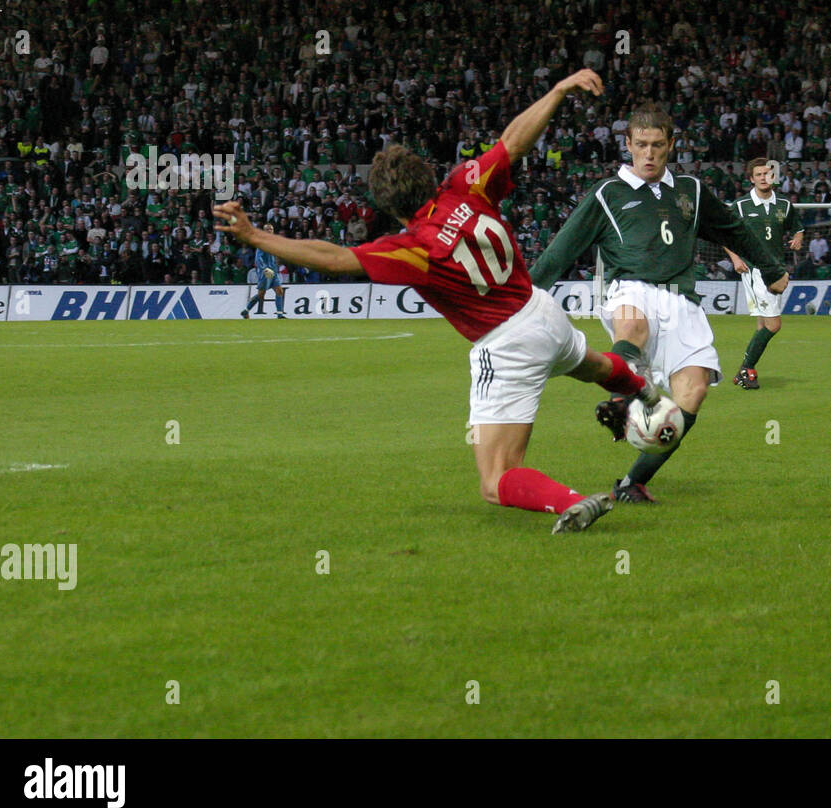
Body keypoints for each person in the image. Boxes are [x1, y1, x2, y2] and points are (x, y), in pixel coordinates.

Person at [215, 69, 654, 533]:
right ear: (426, 175)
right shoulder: (466, 185)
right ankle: (646, 393)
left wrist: (253, 234)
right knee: (592, 367)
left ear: (388, 206)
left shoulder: (416, 245)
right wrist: (559, 90)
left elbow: (334, 259)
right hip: (541, 309)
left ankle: (573, 501)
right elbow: (514, 142)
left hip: (507, 342)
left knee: (495, 478)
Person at [530, 102, 789, 504]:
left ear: (671, 144)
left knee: (694, 393)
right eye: (640, 145)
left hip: (683, 302)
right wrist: (524, 297)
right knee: (633, 326)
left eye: (656, 145)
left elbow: (735, 230)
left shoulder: (692, 191)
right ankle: (620, 403)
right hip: (630, 289)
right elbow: (560, 252)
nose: (648, 154)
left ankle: (631, 483)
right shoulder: (607, 194)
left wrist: (772, 269)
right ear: (628, 145)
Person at [722, 157, 803, 389]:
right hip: (755, 270)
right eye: (758, 175)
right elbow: (723, 233)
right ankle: (746, 370)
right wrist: (735, 257)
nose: (763, 178)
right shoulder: (740, 205)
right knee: (773, 324)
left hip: (776, 269)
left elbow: (797, 228)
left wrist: (797, 239)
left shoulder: (784, 205)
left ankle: (743, 372)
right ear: (751, 179)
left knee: (762, 323)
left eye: (767, 174)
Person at [240, 224, 287, 318]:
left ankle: (280, 315)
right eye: (267, 229)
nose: (270, 230)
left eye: (271, 229)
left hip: (273, 271)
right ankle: (246, 310)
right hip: (265, 272)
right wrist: (264, 269)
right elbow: (258, 258)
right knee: (261, 295)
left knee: (279, 291)